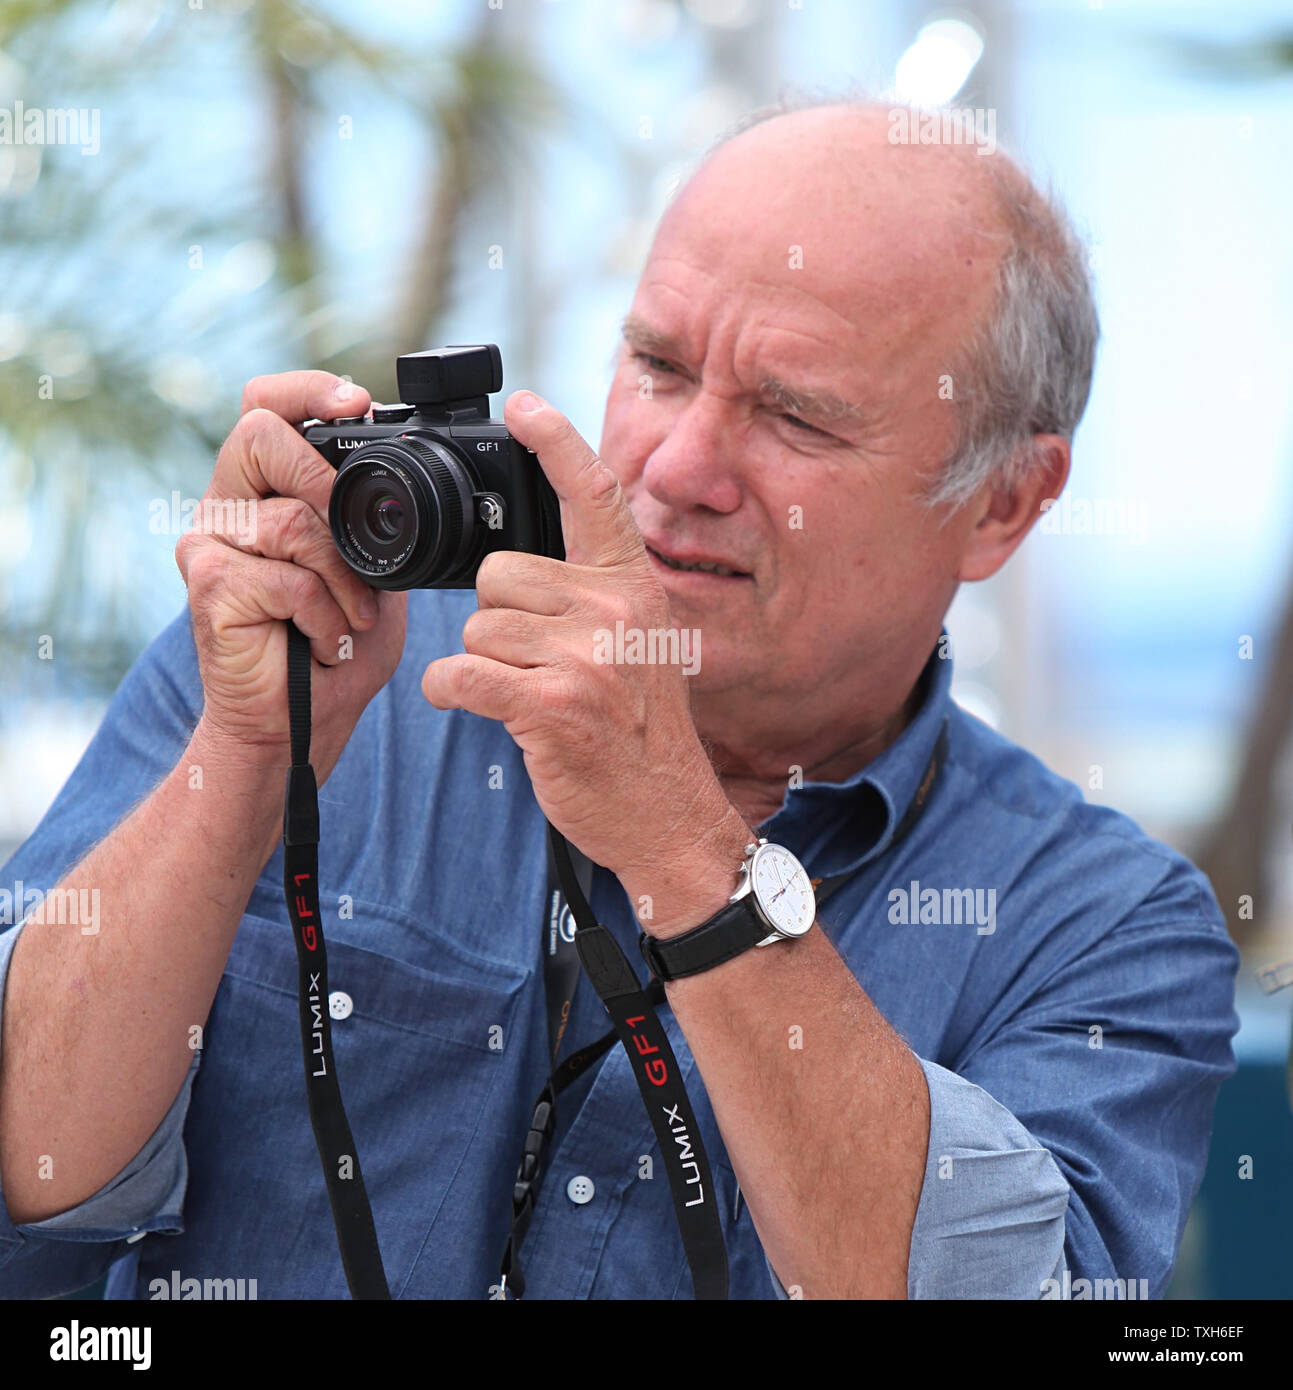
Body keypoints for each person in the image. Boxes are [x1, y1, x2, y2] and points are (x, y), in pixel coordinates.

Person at [0, 101, 1238, 1300]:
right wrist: (244, 765)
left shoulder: (1108, 929)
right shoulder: (317, 658)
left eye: (794, 413)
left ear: (1005, 502)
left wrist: (684, 845)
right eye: (656, 364)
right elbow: (32, 1177)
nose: (679, 466)